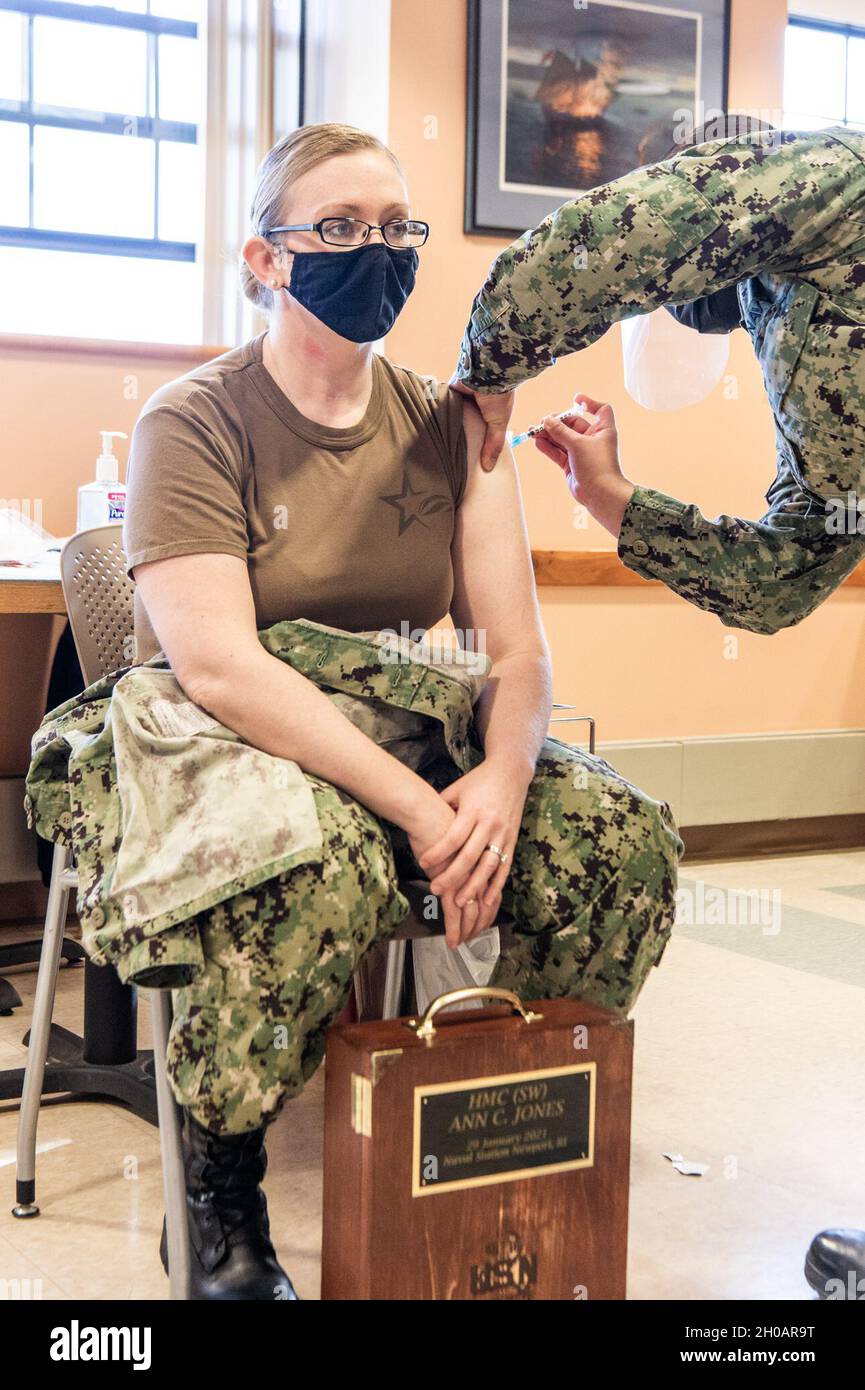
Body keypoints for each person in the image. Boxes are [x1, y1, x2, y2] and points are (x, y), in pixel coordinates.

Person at [108, 122, 682, 1299]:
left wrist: (504, 781)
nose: (374, 250)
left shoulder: (452, 422)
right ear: (266, 259)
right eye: (337, 228)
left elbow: (518, 651)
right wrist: (427, 810)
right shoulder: (194, 420)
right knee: (298, 866)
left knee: (618, 844)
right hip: (230, 733)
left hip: (403, 721)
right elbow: (217, 667)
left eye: (394, 227)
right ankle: (221, 1195)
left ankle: (500, 1128)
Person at [451, 116, 865, 1298]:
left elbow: (613, 242)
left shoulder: (829, 175)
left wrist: (485, 356)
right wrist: (617, 503)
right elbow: (790, 567)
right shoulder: (806, 305)